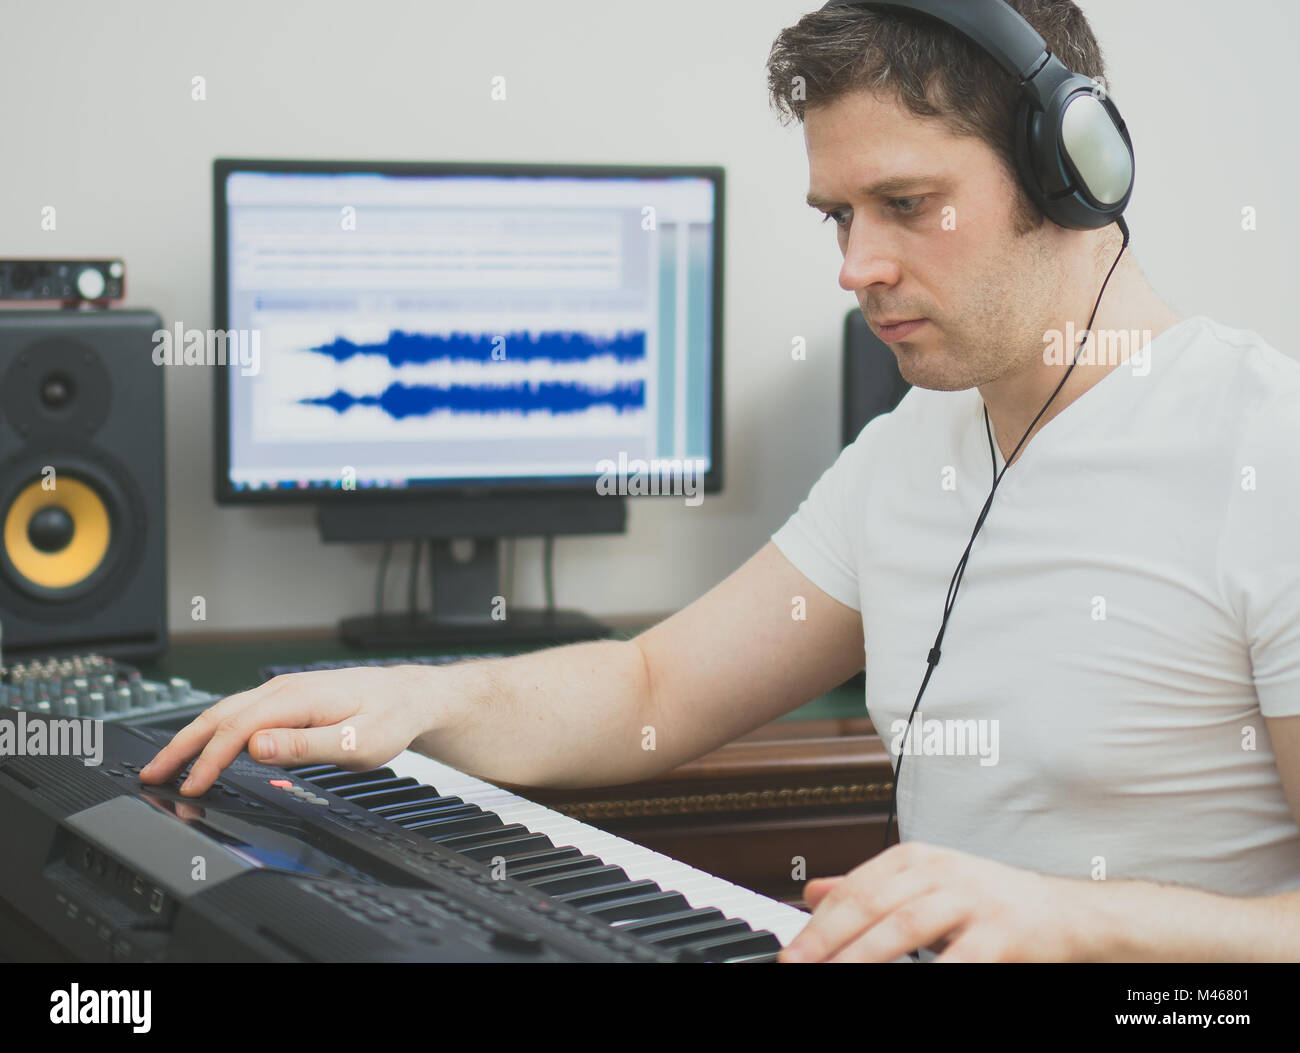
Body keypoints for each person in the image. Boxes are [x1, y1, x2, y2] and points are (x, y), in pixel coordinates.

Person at [143, 0, 1300, 962]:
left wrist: (1074, 920)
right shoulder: (911, 449)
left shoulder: (1267, 449)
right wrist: (422, 700)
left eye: (904, 204)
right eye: (838, 217)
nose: (857, 267)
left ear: (1072, 174)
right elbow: (651, 689)